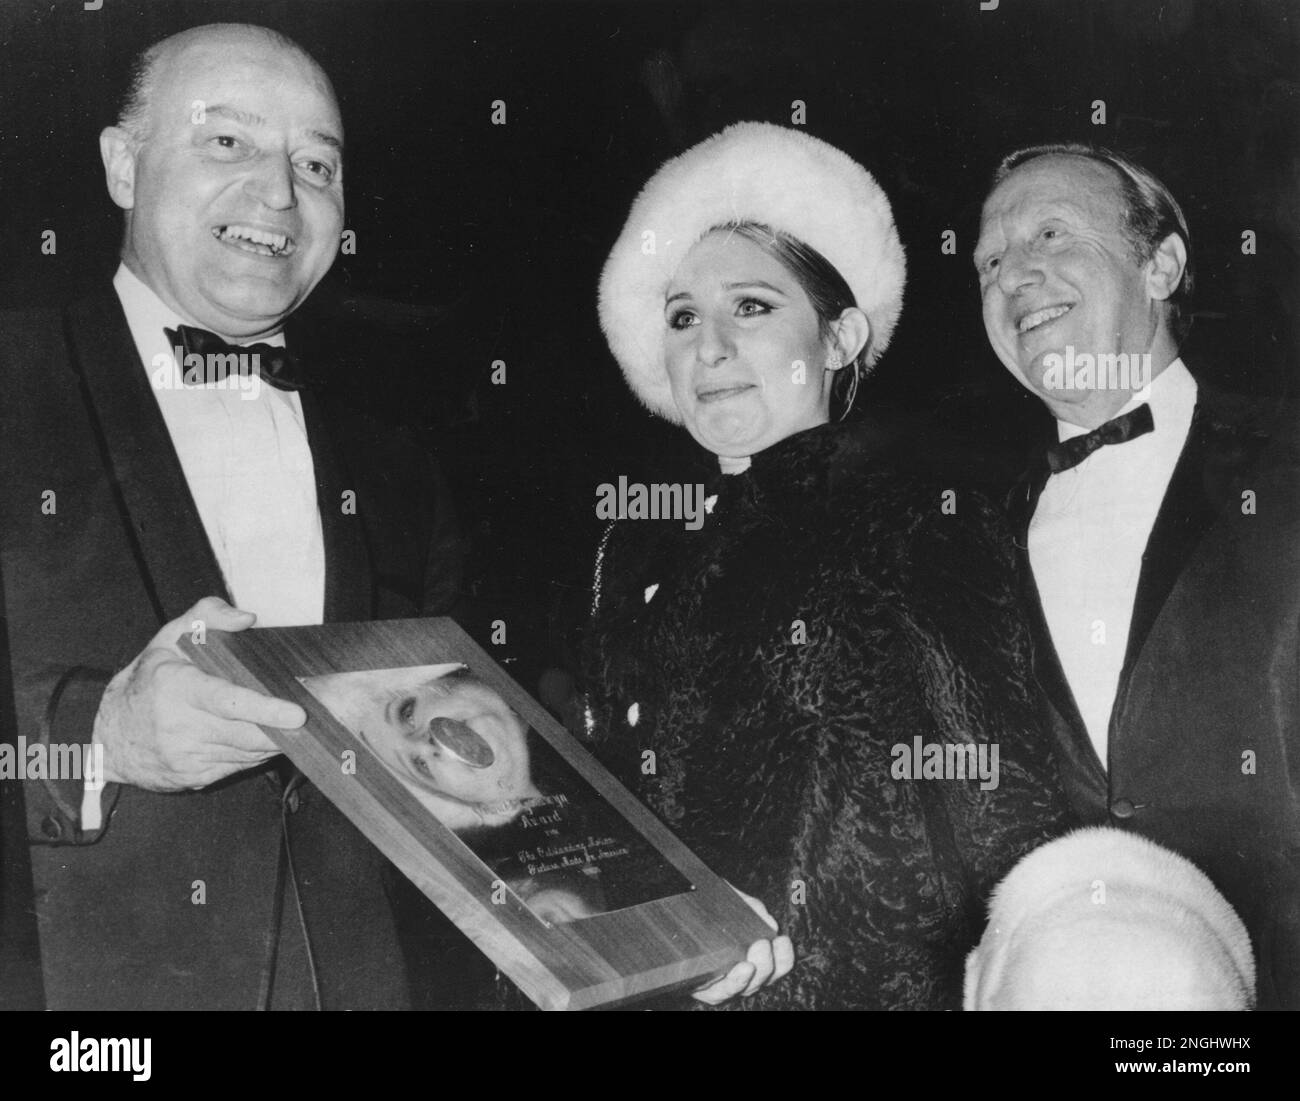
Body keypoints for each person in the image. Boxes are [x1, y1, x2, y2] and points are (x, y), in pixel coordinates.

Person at [0, 23, 465, 1010]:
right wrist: (105, 738)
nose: (281, 194)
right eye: (228, 142)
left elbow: (469, 766)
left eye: (316, 162)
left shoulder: (400, 468)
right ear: (124, 164)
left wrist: (668, 915)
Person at [586, 121, 1071, 1010]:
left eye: (754, 306)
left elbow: (999, 819)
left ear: (842, 337)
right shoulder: (637, 549)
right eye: (683, 315)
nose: (710, 346)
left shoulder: (915, 523)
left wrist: (786, 930)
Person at [974, 142, 1300, 1009]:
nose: (1014, 275)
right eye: (992, 261)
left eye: (1051, 233)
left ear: (1162, 264)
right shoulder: (968, 535)